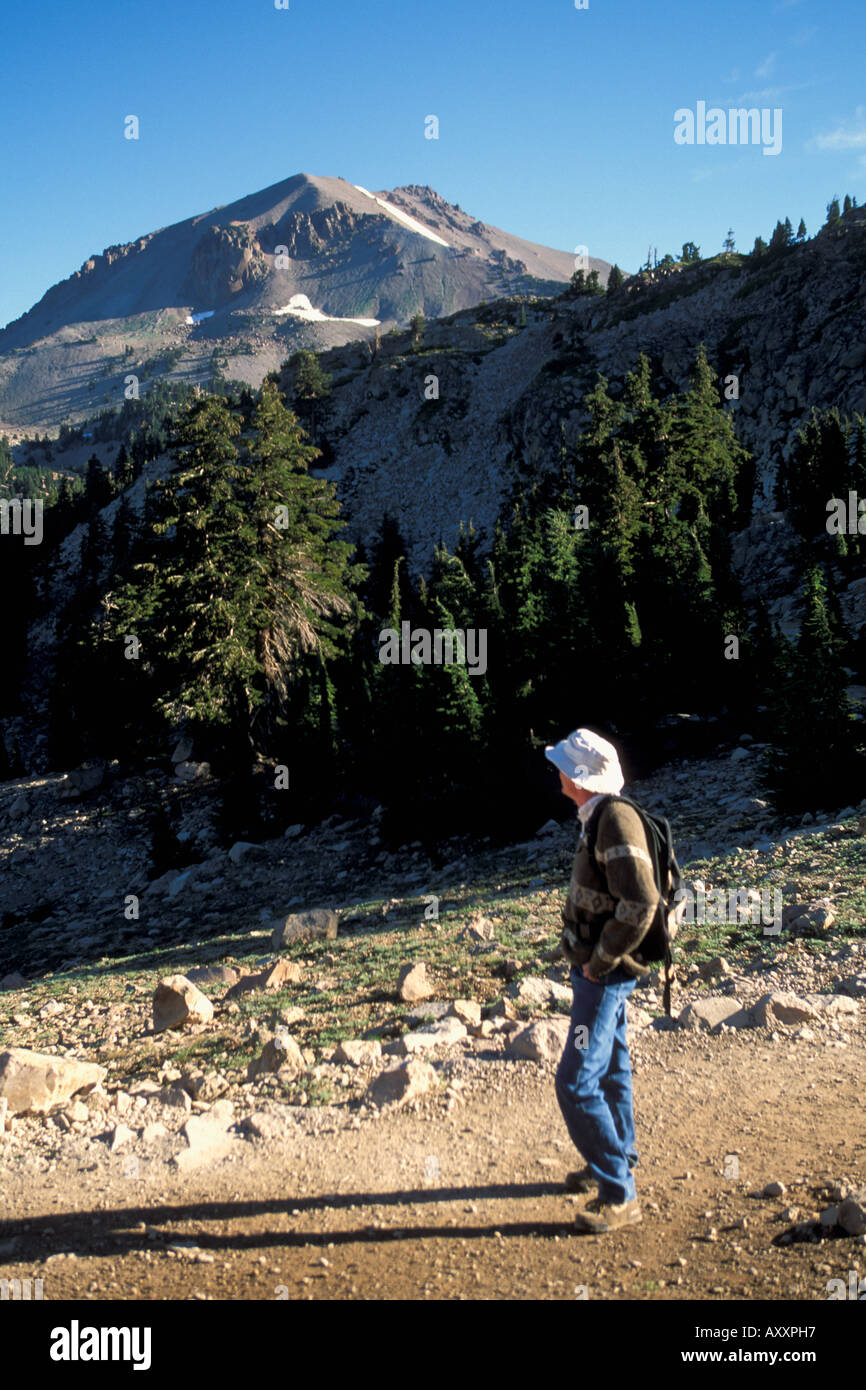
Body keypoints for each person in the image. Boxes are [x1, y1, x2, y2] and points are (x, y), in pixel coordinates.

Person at [544, 727, 659, 1234]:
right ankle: (617, 1158)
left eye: (565, 767)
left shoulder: (613, 821)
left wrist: (599, 961)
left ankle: (619, 1192)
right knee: (612, 1066)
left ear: (582, 777)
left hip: (603, 972)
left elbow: (641, 902)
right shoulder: (599, 816)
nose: (559, 774)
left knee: (574, 1081)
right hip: (600, 969)